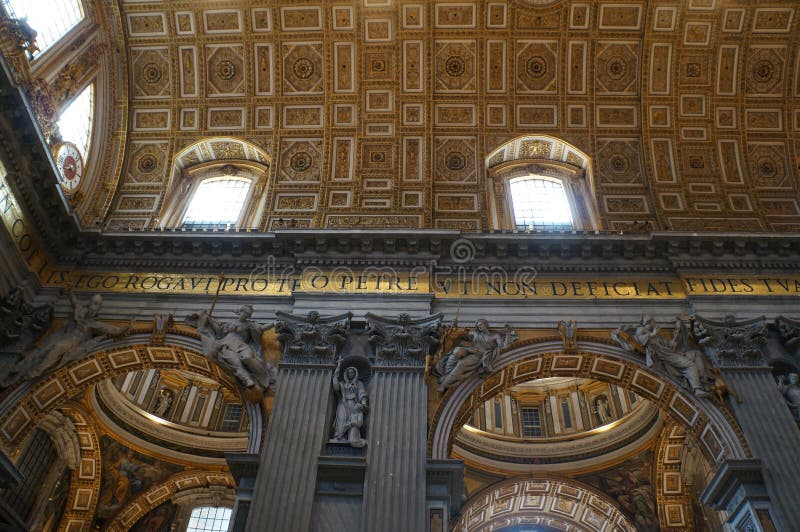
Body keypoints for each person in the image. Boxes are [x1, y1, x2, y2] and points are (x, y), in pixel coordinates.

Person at [1, 292, 130, 387]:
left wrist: (124, 329)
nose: (92, 306)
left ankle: (38, 370)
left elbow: (112, 329)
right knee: (43, 350)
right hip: (63, 336)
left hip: (72, 343)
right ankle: (18, 369)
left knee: (58, 347)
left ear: (98, 309)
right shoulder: (79, 311)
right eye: (92, 302)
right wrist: (69, 290)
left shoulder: (95, 324)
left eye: (96, 304)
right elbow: (74, 301)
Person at [613, 317, 708, 397]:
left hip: (672, 354)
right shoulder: (644, 333)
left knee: (696, 353)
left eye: (652, 322)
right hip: (667, 357)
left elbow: (671, 346)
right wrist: (653, 334)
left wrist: (677, 332)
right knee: (691, 366)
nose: (653, 324)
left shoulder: (658, 337)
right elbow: (640, 341)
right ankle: (697, 388)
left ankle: (701, 380)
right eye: (650, 322)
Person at [188, 305, 275, 391]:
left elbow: (261, 328)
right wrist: (209, 319)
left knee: (247, 357)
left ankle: (262, 376)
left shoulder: (249, 324)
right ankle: (247, 379)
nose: (246, 315)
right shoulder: (230, 323)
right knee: (235, 362)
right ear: (240, 312)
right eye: (245, 313)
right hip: (227, 344)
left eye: (248, 314)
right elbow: (219, 330)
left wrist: (273, 324)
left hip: (241, 345)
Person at [435, 319, 517, 391]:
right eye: (478, 326)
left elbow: (504, 347)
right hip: (470, 350)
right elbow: (462, 335)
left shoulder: (495, 336)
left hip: (479, 355)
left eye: (480, 324)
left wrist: (508, 334)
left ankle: (444, 384)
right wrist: (454, 327)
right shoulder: (475, 334)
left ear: (486, 324)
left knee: (461, 364)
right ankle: (447, 375)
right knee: (457, 351)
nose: (479, 327)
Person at [331, 358, 367, 448]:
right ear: (346, 374)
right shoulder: (343, 384)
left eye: (352, 372)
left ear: (355, 374)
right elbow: (336, 386)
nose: (350, 374)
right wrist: (337, 370)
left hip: (354, 405)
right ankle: (340, 436)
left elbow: (362, 394)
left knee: (353, 421)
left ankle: (352, 437)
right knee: (341, 418)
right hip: (343, 404)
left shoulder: (359, 384)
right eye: (349, 372)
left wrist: (363, 404)